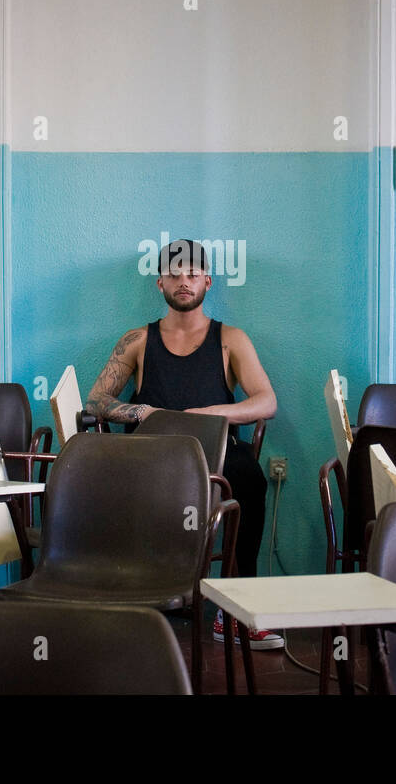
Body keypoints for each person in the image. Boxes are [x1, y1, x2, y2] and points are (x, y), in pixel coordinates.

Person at [84, 238, 282, 650]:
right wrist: (143, 414)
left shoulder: (230, 339)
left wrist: (207, 414)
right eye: (175, 273)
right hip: (151, 460)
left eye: (192, 274)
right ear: (160, 283)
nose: (184, 281)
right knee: (103, 481)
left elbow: (267, 401)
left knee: (251, 479)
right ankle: (128, 601)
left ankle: (235, 611)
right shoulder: (138, 339)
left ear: (208, 281)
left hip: (216, 457)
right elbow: (96, 400)